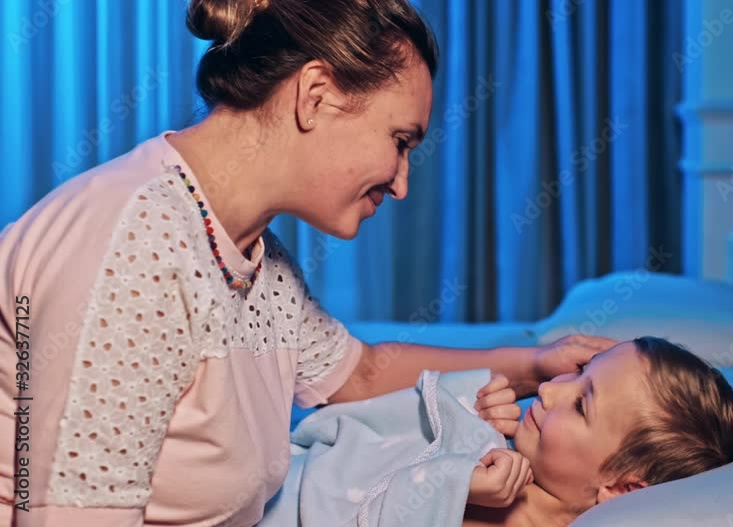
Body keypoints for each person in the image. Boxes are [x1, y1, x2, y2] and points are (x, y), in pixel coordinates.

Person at [0, 0, 613, 524]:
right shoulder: (136, 248)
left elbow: (361, 375)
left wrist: (537, 364)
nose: (402, 184)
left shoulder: (252, 253)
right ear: (315, 96)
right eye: (399, 142)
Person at [464, 337, 733, 526]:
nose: (550, 389)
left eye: (581, 406)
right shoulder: (500, 451)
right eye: (580, 371)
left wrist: (455, 484)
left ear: (622, 488)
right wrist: (464, 414)